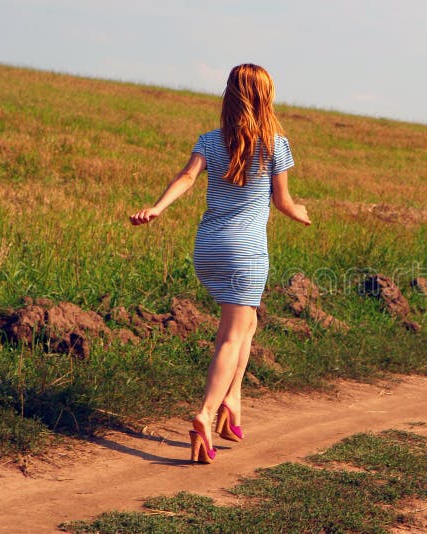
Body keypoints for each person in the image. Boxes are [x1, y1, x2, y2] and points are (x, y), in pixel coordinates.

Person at [130, 64, 311, 463]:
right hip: (246, 252)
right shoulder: (276, 145)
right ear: (266, 98)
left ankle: (233, 402)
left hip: (208, 248)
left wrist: (157, 208)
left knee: (247, 324)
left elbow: (187, 177)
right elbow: (283, 202)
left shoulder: (210, 141)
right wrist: (298, 212)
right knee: (232, 336)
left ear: (230, 96)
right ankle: (207, 413)